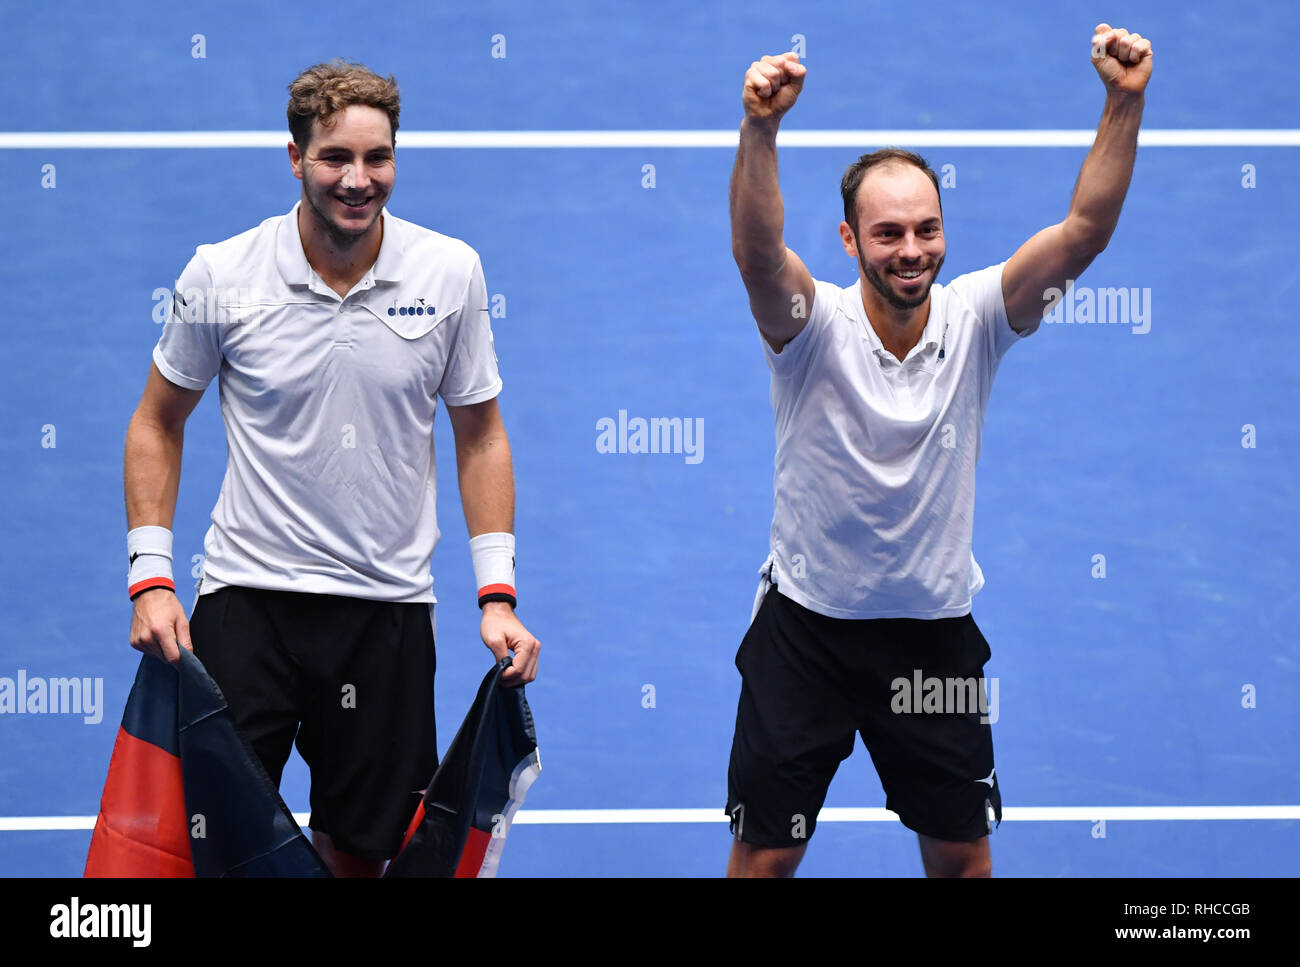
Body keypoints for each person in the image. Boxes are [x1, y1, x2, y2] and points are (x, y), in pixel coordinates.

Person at [725, 25, 1152, 877]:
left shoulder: (978, 318)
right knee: (764, 861)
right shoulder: (810, 331)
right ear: (850, 242)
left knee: (963, 863)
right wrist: (761, 132)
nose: (911, 250)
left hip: (933, 639)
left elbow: (1084, 233)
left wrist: (1123, 102)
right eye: (887, 234)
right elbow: (759, 255)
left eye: (926, 229)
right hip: (804, 633)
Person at [123, 60, 540, 877]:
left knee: (363, 853)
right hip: (248, 605)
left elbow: (481, 433)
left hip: (384, 614)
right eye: (335, 159)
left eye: (377, 158)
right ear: (294, 158)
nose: (358, 180)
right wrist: (151, 575)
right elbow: (156, 420)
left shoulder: (450, 273)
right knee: (224, 852)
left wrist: (496, 595)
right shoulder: (222, 275)